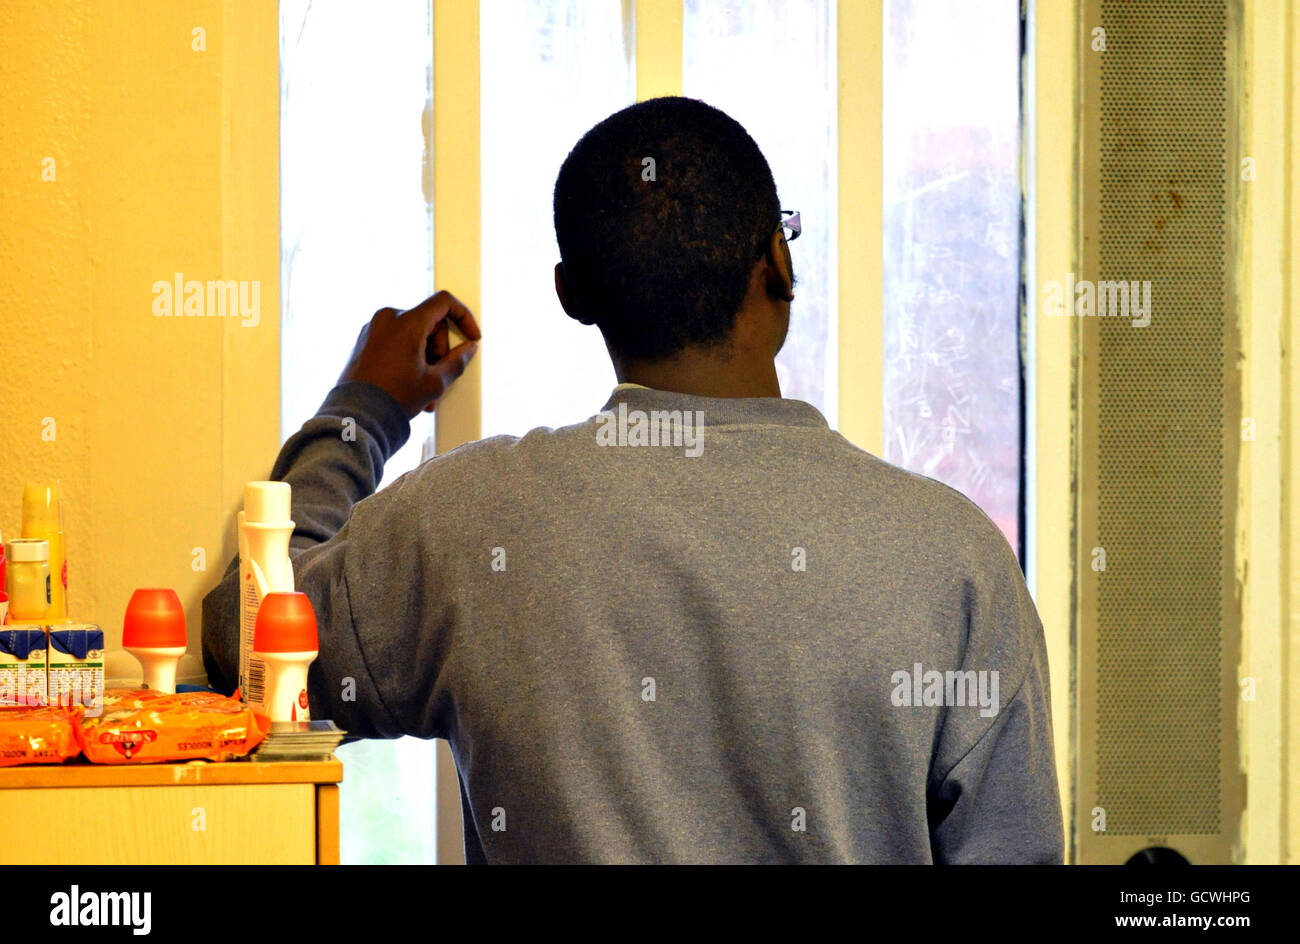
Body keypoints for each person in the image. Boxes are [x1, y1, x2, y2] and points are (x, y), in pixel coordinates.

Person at [202, 96, 1063, 864]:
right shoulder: (953, 561)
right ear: (778, 265)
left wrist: (365, 409)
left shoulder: (473, 522)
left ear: (572, 294)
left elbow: (243, 640)